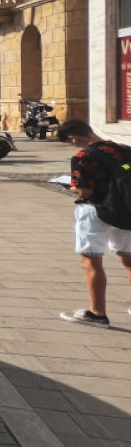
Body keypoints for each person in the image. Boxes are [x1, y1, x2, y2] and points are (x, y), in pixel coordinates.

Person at [56, 120, 131, 327]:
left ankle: (97, 313)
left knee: (91, 261)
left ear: (74, 137)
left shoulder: (83, 156)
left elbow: (85, 191)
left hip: (95, 211)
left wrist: (68, 186)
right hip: (124, 210)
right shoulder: (123, 149)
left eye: (71, 142)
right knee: (128, 260)